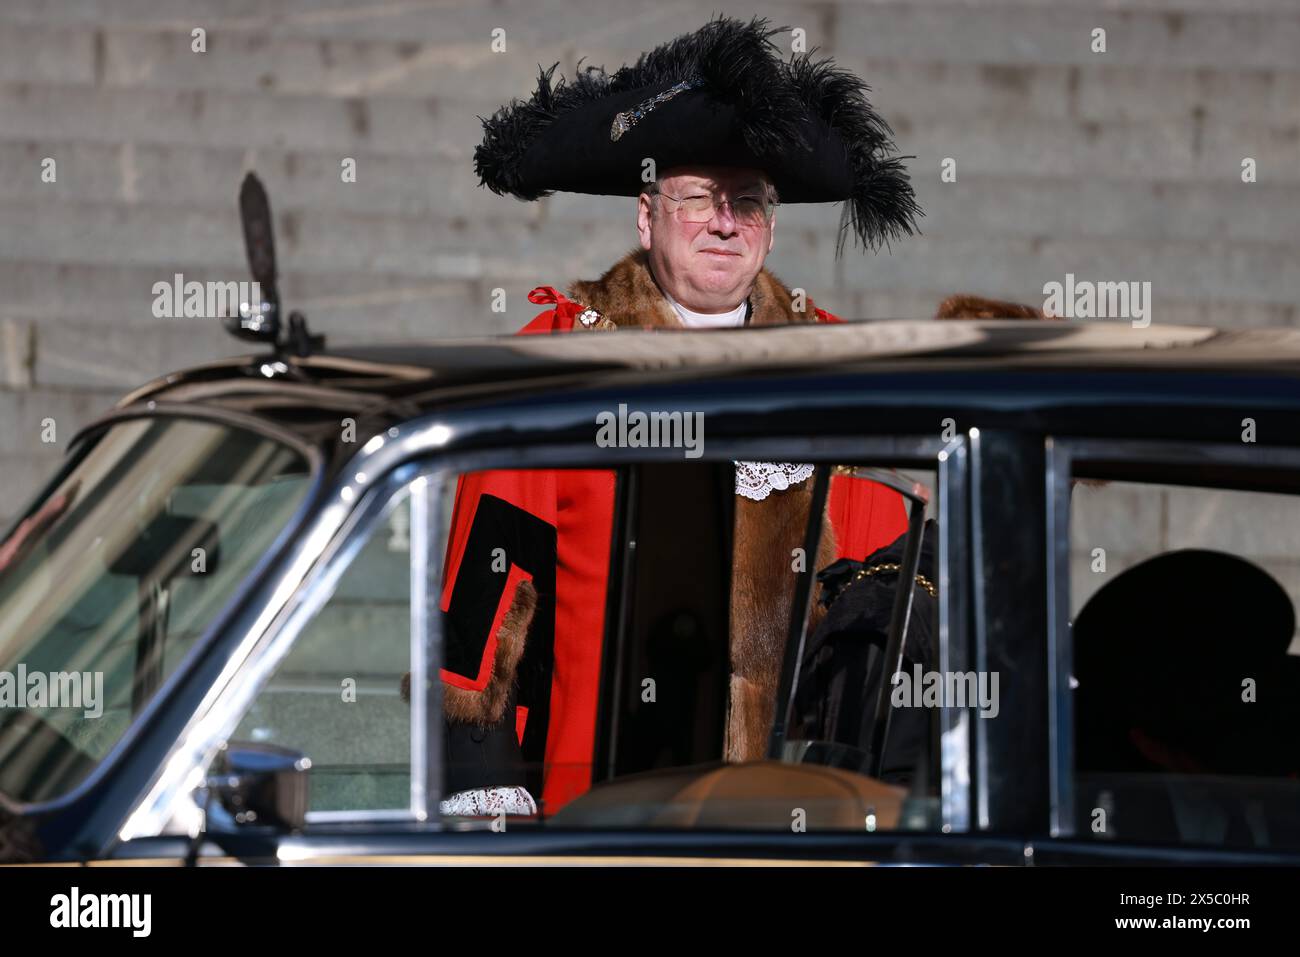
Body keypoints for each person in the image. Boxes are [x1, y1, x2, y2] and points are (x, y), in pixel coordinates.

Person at [425, 15, 922, 816]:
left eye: (748, 203)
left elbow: (882, 599)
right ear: (646, 214)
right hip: (601, 813)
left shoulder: (839, 371)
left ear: (769, 229)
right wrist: (488, 798)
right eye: (698, 199)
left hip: (796, 818)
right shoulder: (562, 360)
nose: (725, 222)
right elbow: (480, 617)